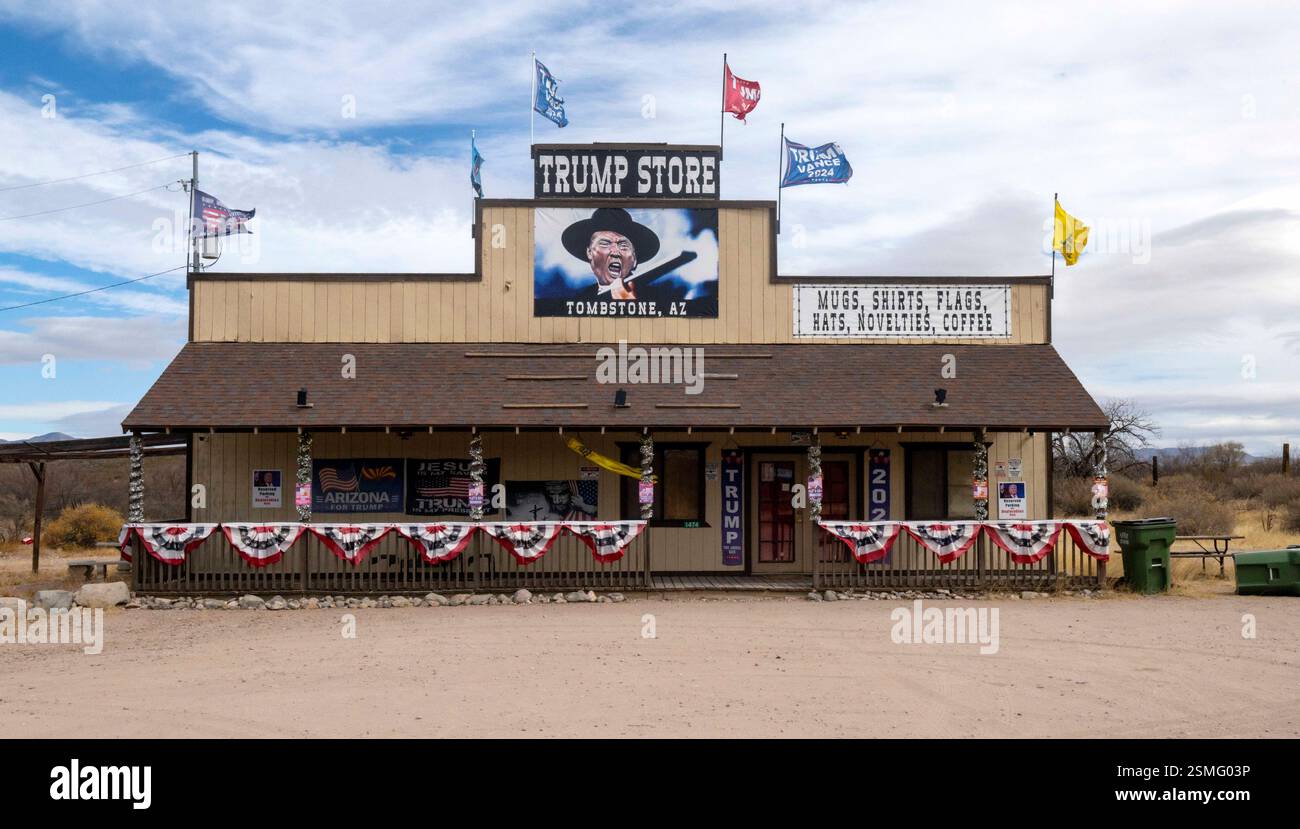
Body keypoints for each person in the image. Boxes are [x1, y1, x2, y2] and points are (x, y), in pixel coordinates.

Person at [560, 207, 660, 301]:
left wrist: (631, 308)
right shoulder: (581, 300)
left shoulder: (657, 298)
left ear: (634, 260)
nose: (615, 252)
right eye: (605, 243)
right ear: (589, 253)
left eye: (623, 245)